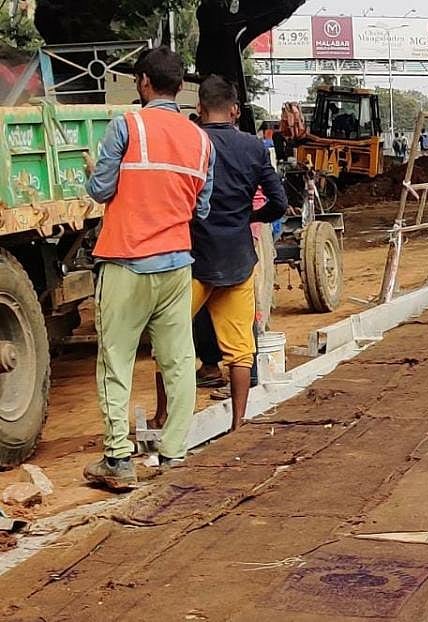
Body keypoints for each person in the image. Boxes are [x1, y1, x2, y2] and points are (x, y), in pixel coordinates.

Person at [82, 46, 215, 490]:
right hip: (177, 265)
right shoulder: (201, 141)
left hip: (127, 263)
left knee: (115, 361)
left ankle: (119, 459)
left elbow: (101, 191)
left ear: (142, 82)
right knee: (178, 362)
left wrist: (92, 173)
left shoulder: (128, 126)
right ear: (180, 87)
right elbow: (202, 207)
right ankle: (174, 453)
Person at [188, 75, 288, 430]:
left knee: (170, 339)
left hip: (194, 257)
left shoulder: (191, 143)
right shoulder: (254, 148)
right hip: (238, 256)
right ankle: (238, 423)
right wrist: (251, 215)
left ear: (199, 108)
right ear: (234, 110)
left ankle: (165, 417)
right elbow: (279, 202)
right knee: (241, 348)